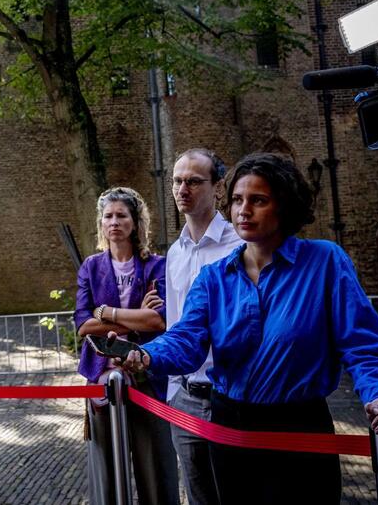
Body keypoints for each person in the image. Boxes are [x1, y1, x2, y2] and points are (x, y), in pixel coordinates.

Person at [120, 153, 378, 504]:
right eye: (239, 200)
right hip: (231, 427)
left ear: (284, 205)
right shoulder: (214, 278)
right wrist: (144, 354)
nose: (243, 210)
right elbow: (187, 340)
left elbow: (362, 341)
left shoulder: (324, 262)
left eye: (258, 200)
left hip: (300, 427)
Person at [75, 186, 179, 505]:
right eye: (108, 216)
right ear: (101, 223)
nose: (114, 221)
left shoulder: (157, 267)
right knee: (106, 468)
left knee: (156, 467)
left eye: (122, 215)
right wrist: (135, 318)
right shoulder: (91, 268)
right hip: (102, 378)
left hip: (148, 376)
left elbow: (159, 321)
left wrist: (106, 313)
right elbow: (83, 325)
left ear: (136, 221)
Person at [164, 149, 242, 505]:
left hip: (231, 397)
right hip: (185, 398)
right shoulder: (175, 253)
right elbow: (174, 324)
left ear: (218, 187)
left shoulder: (239, 246)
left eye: (194, 181)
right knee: (198, 498)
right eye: (178, 181)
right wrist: (172, 392)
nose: (183, 189)